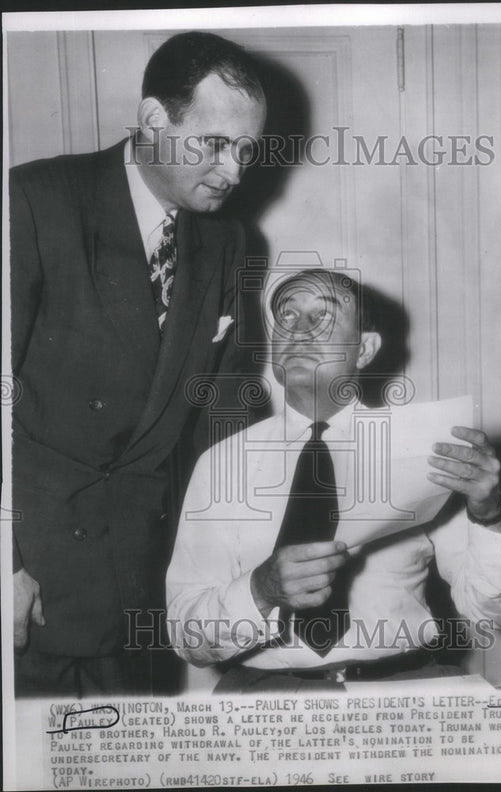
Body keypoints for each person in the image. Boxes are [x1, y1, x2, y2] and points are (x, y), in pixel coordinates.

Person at [10, 31, 266, 696]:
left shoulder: (229, 239)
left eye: (246, 150)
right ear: (154, 118)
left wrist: (237, 553)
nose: (234, 172)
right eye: (214, 144)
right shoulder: (34, 202)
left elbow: (228, 407)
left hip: (143, 586)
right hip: (31, 581)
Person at [166, 269, 501, 692]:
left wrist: (489, 513)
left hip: (406, 692)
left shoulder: (423, 447)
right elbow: (187, 638)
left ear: (364, 349)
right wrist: (260, 591)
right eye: (287, 317)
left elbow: (493, 615)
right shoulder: (222, 464)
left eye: (323, 316)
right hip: (263, 701)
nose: (300, 330)